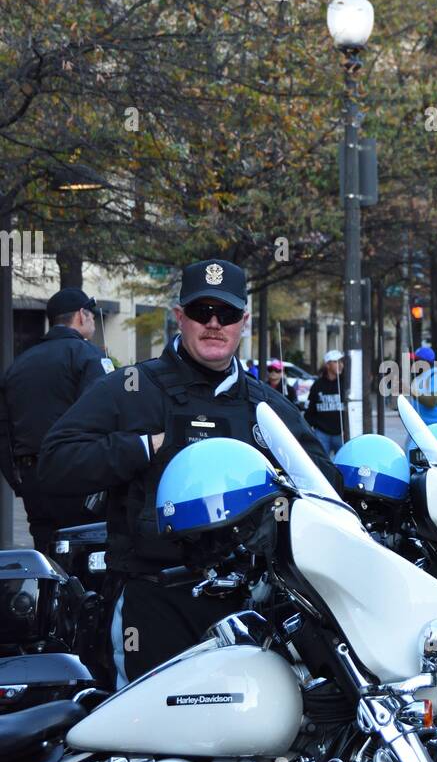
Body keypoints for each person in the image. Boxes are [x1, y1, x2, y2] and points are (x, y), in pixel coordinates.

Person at [39, 259, 340, 684]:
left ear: (244, 322)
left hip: (245, 604)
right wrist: (144, 447)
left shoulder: (266, 407)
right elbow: (55, 461)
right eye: (202, 312)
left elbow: (324, 484)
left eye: (227, 314)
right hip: (153, 600)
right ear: (180, 317)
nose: (214, 324)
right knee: (145, 738)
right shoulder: (132, 388)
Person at [0, 288, 113, 553]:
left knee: (47, 560)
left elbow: (3, 431)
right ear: (81, 316)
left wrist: (19, 481)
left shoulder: (19, 364)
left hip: (34, 480)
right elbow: (106, 415)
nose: (94, 321)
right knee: (87, 562)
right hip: (78, 476)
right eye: (92, 315)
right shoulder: (88, 356)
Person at [305, 350, 347, 457]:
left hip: (341, 433)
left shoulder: (346, 384)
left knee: (344, 462)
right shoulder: (317, 385)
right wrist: (311, 427)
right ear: (328, 365)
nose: (340, 365)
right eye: (336, 362)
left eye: (341, 362)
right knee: (323, 464)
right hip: (322, 433)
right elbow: (311, 408)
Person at [410, 345, 437, 426]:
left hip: (435, 426)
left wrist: (411, 392)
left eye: (415, 360)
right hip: (419, 425)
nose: (413, 362)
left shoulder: (436, 377)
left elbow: (432, 401)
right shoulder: (420, 377)